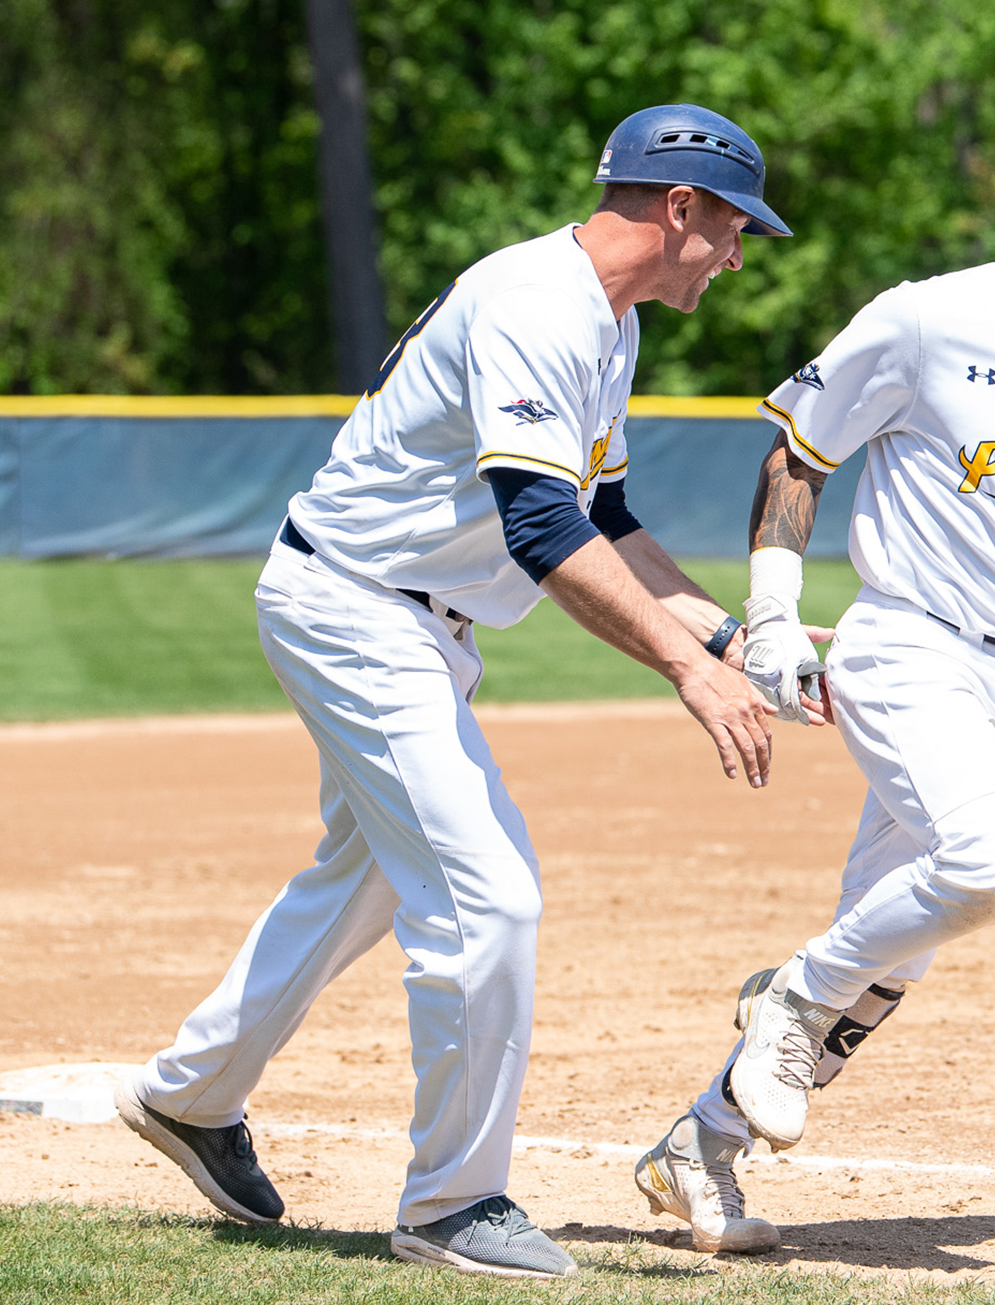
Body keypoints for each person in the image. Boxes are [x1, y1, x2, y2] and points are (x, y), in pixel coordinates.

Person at [113, 105, 790, 1278]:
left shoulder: (609, 320)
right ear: (679, 207)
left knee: (367, 878)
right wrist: (685, 666)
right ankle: (452, 1204)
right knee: (487, 896)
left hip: (408, 620)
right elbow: (542, 530)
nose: (736, 255)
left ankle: (189, 1096)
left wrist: (730, 637)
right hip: (359, 608)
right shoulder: (536, 304)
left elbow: (605, 516)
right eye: (734, 227)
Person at [630, 93, 995, 1252]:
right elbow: (799, 453)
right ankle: (788, 995)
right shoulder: (922, 319)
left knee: (893, 959)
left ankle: (699, 1150)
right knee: (991, 866)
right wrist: (772, 613)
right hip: (908, 646)